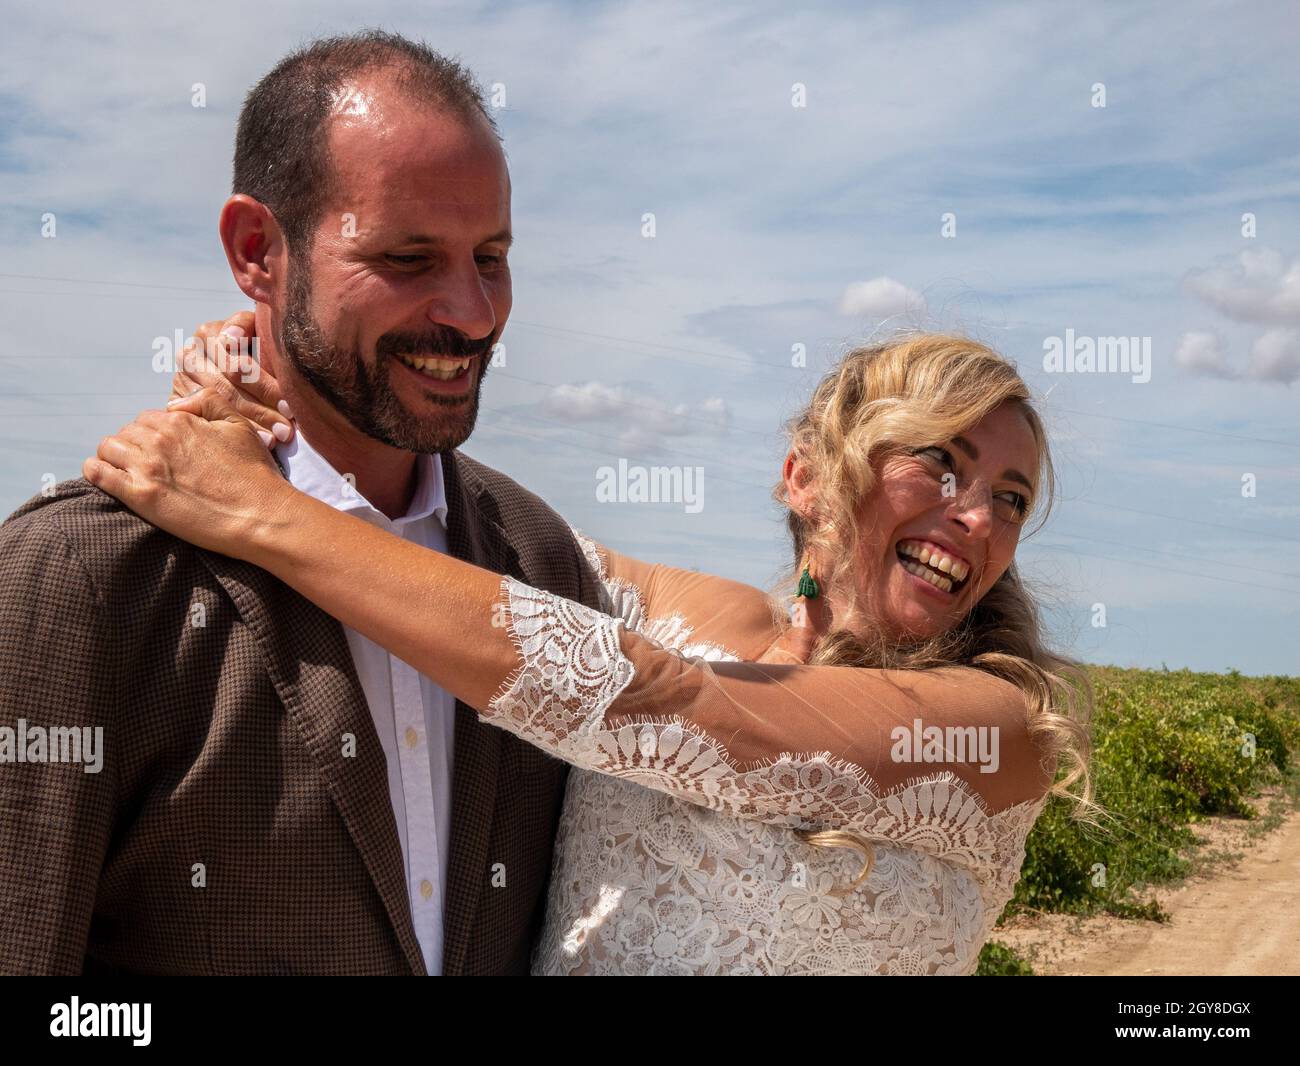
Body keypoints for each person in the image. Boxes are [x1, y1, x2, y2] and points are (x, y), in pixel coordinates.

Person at [87, 325, 1094, 975]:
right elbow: (453, 547)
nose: (976, 518)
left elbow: (676, 713)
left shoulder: (994, 724)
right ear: (805, 477)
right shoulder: (689, 607)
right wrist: (284, 403)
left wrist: (262, 512)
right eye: (940, 461)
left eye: (1008, 499)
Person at [0, 30, 628, 976]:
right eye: (409, 258)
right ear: (258, 250)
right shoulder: (81, 579)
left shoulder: (541, 562)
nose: (471, 311)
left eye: (491, 256)